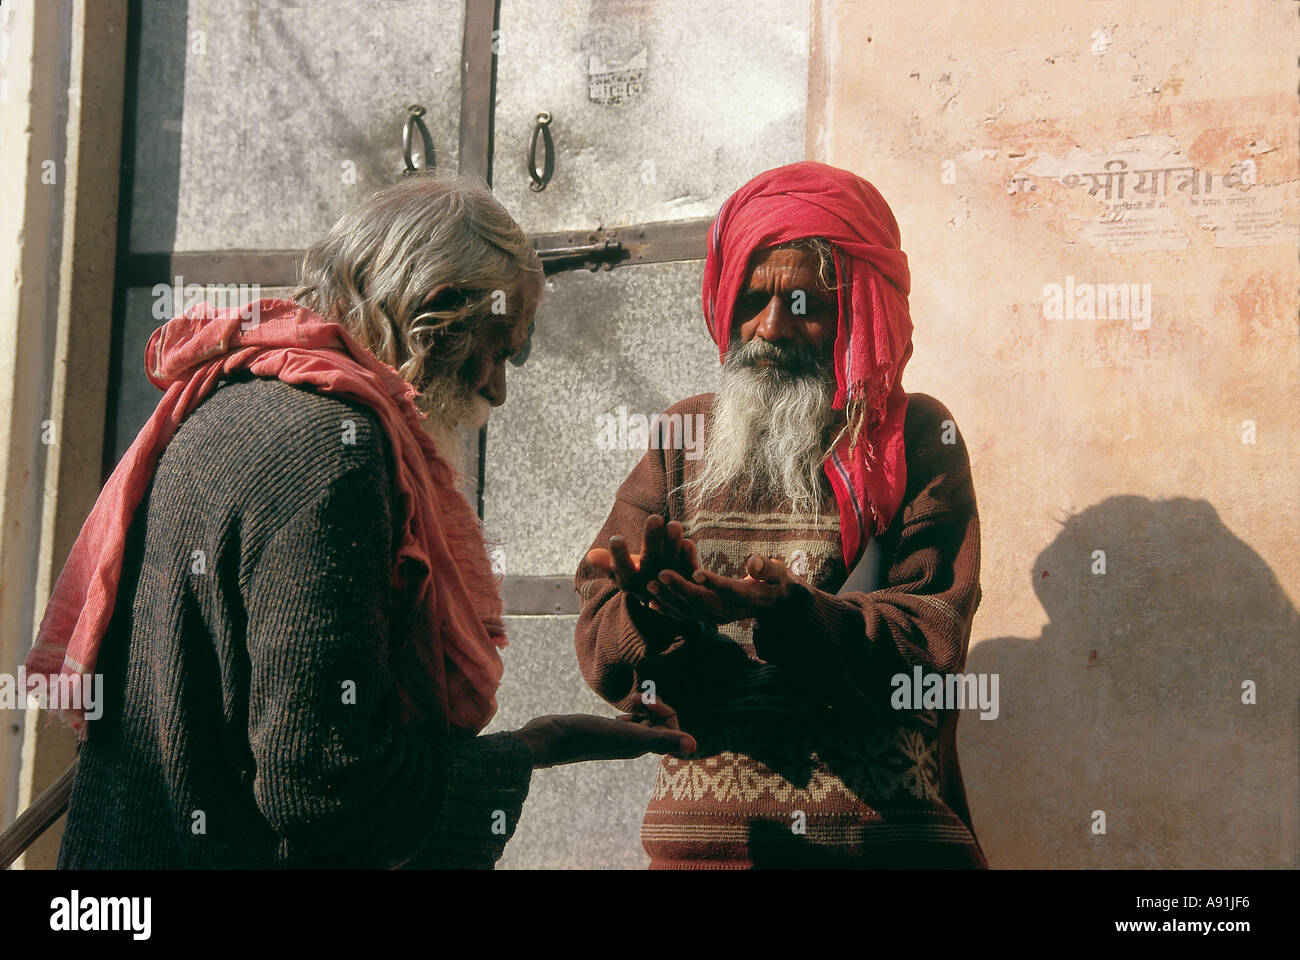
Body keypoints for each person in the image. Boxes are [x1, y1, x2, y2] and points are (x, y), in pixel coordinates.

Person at [24, 173, 695, 869]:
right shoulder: (333, 450)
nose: (497, 387)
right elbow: (325, 791)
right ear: (432, 313)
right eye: (498, 349)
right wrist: (531, 750)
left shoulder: (228, 400)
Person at [575, 161, 988, 868]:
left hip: (879, 849)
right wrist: (652, 610)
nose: (769, 328)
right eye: (751, 300)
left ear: (856, 309)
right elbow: (603, 653)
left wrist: (795, 615)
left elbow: (933, 642)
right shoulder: (684, 438)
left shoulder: (918, 438)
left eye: (803, 304)